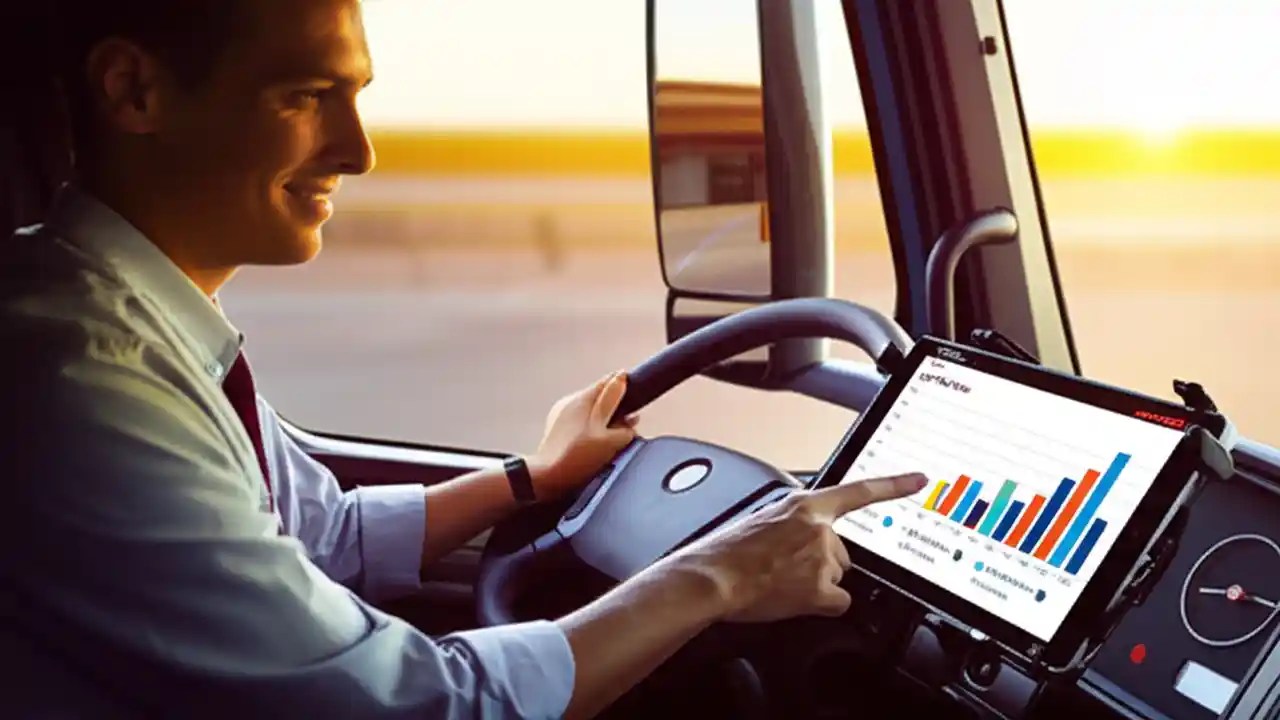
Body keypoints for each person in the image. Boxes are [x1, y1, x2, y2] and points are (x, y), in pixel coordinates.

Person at [0, 1, 927, 717]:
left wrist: (530, 478)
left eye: (353, 98)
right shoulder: (80, 377)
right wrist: (716, 575)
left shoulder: (141, 325)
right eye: (305, 97)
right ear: (133, 92)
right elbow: (419, 706)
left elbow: (319, 539)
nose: (356, 151)